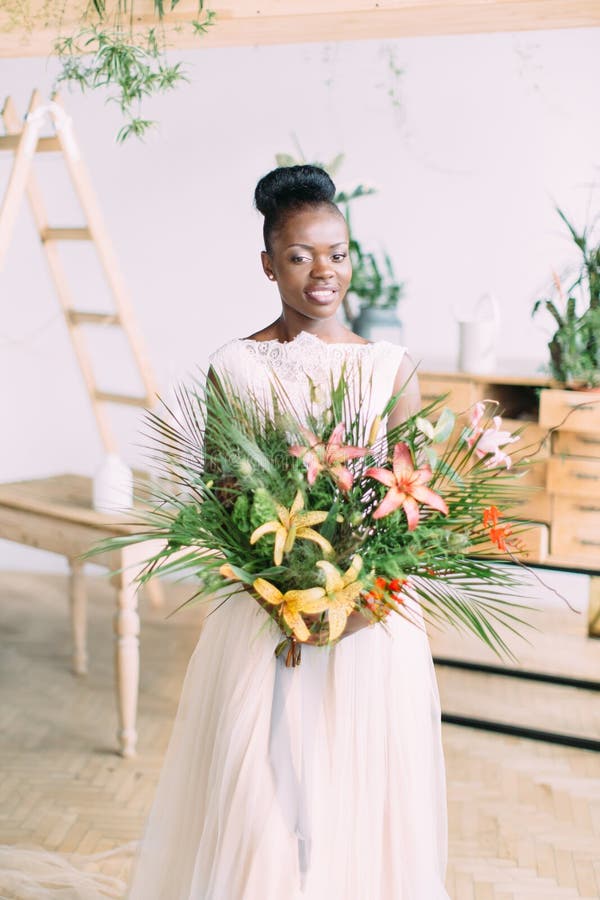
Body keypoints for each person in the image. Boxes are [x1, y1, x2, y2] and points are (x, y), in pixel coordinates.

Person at [125, 164, 450, 899]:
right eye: (301, 256)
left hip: (371, 623)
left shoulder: (389, 368)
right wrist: (283, 599)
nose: (322, 271)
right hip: (265, 621)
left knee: (358, 801)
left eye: (336, 253)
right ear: (269, 263)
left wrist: (360, 604)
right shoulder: (234, 367)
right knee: (256, 795)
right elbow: (220, 503)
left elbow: (415, 507)